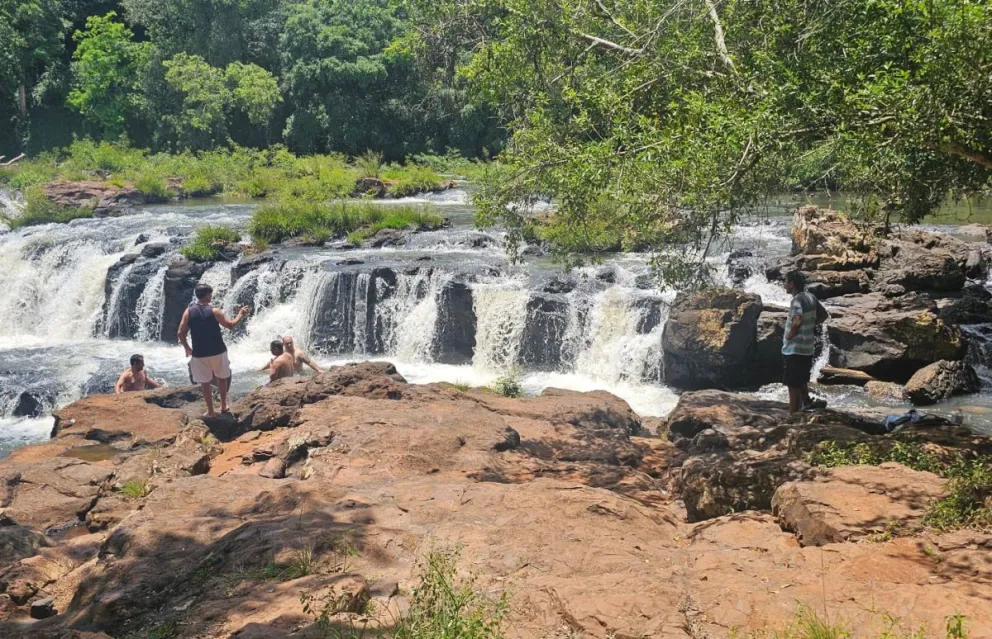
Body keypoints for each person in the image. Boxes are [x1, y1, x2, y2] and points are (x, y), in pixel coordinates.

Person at [178, 284, 249, 417]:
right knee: (222, 378)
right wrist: (241, 314)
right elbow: (230, 325)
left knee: (205, 383)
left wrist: (187, 348)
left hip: (199, 354)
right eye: (210, 294)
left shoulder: (188, 311)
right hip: (218, 351)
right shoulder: (214, 311)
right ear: (207, 295)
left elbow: (180, 333)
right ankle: (223, 405)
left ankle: (210, 411)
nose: (211, 296)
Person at [782, 270, 829, 414]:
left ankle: (792, 416)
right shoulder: (811, 297)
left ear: (792, 284)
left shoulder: (796, 301)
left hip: (794, 349)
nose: (784, 285)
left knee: (793, 385)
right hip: (807, 348)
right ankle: (807, 402)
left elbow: (797, 321)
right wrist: (811, 324)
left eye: (786, 282)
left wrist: (789, 335)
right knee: (801, 379)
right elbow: (824, 315)